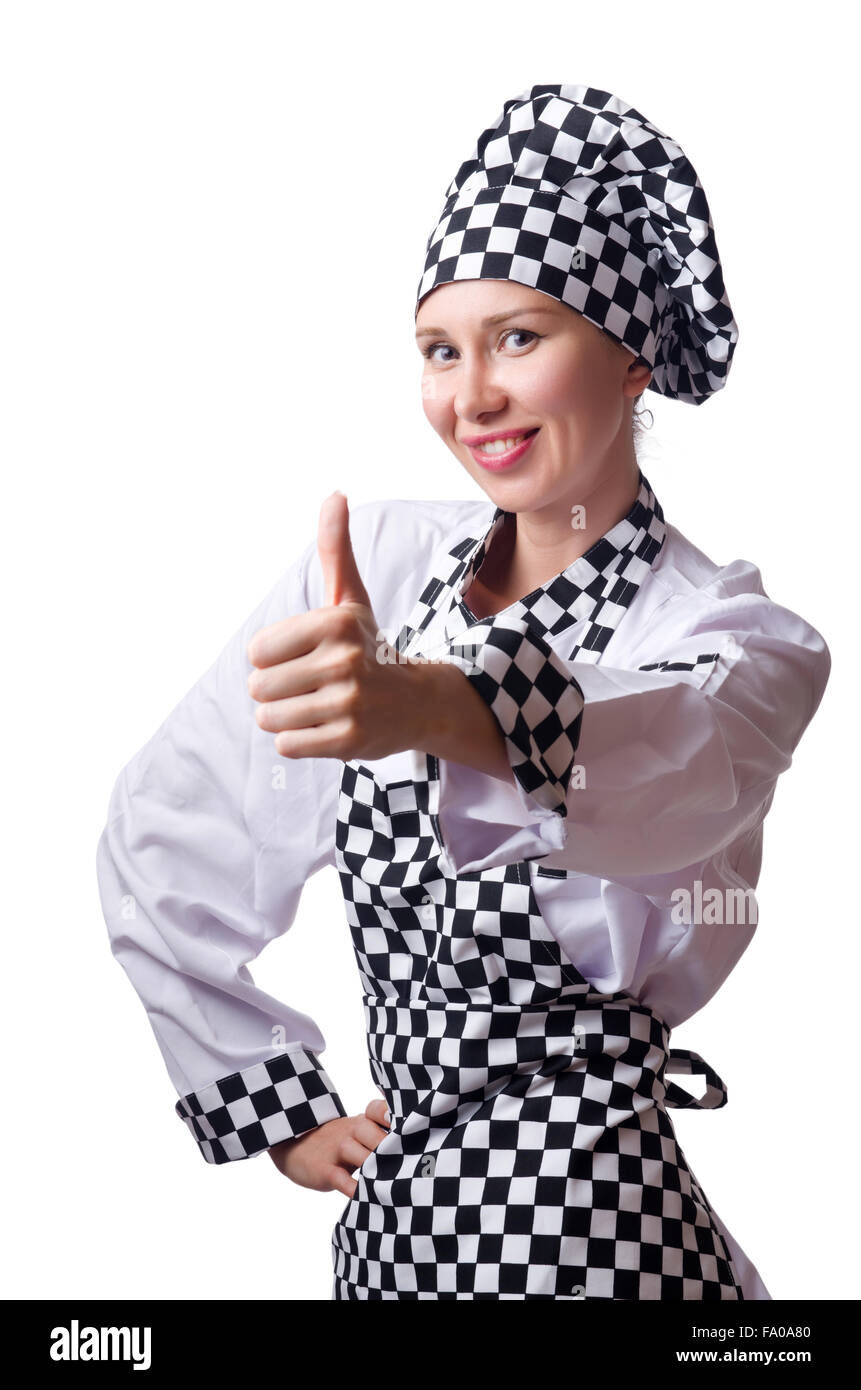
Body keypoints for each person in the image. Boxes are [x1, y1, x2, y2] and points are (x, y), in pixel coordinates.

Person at [96, 83, 830, 1300]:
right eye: (442, 349)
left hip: (590, 1223)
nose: (471, 396)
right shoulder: (377, 565)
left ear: (633, 351)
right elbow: (168, 825)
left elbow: (682, 767)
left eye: (521, 338)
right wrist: (276, 1102)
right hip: (396, 1226)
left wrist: (438, 707)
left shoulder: (739, 636)